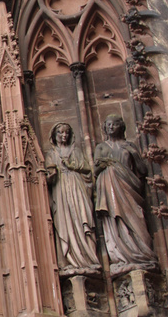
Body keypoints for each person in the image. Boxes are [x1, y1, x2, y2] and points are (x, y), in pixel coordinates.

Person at [94, 114, 157, 270]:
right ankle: (122, 255)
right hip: (111, 187)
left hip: (129, 188)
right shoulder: (101, 147)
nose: (110, 127)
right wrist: (107, 164)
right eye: (108, 124)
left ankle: (141, 253)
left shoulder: (129, 146)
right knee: (117, 219)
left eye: (114, 124)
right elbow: (95, 170)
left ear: (121, 126)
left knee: (136, 219)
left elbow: (142, 170)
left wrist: (134, 153)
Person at [45, 123, 100, 272]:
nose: (64, 136)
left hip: (77, 187)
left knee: (82, 218)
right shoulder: (52, 154)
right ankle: (70, 258)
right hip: (61, 190)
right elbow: (47, 177)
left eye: (66, 133)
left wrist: (73, 167)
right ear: (54, 135)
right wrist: (52, 175)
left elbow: (87, 171)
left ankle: (87, 258)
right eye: (60, 133)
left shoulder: (75, 151)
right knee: (66, 220)